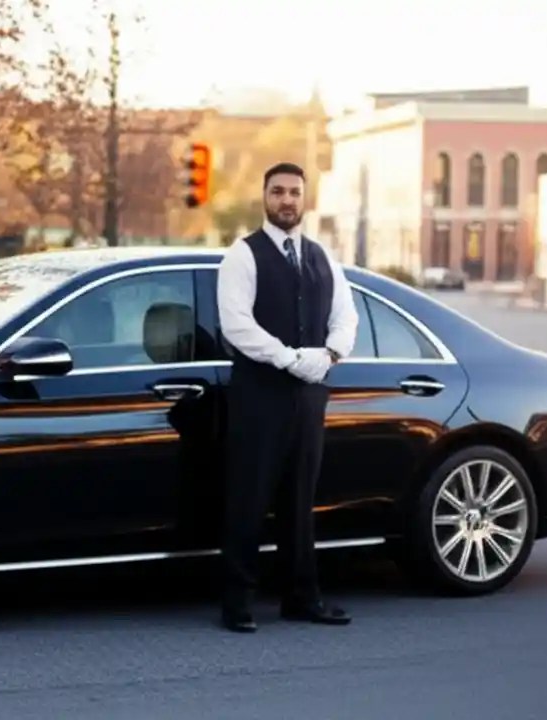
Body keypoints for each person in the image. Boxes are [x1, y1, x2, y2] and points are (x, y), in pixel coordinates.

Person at [215, 161, 358, 633]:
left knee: (301, 501)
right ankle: (237, 603)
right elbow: (237, 326)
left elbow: (346, 317)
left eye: (294, 192)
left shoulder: (322, 256)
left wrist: (331, 353)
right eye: (277, 192)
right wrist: (289, 358)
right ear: (265, 197)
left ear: (304, 199)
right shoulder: (243, 255)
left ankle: (302, 598)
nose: (286, 201)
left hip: (310, 396)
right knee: (249, 498)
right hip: (259, 395)